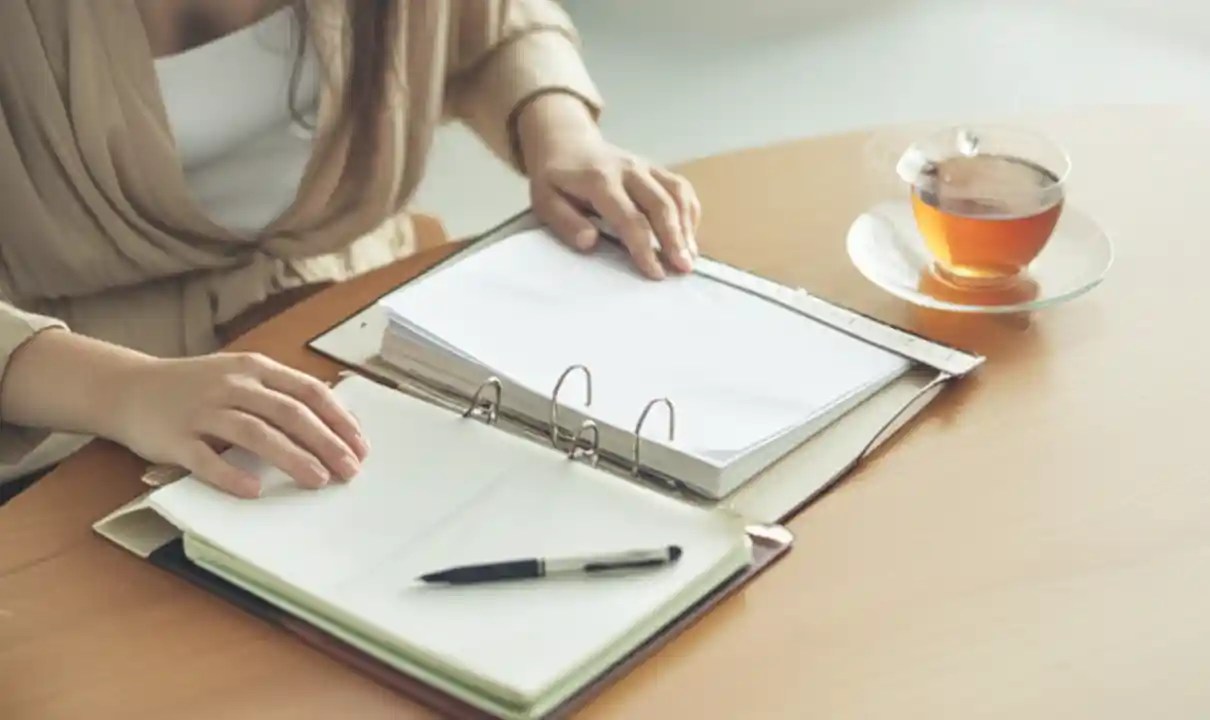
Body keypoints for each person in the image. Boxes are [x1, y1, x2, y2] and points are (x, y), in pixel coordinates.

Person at [0, 0, 701, 503]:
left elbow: (482, 26)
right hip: (62, 405)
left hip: (353, 326)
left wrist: (560, 132)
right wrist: (122, 391)